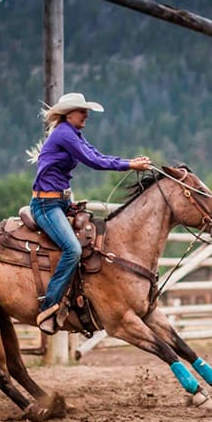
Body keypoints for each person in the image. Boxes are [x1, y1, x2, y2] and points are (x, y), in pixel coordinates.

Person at [32, 92, 151, 334]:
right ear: (69, 113)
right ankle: (49, 305)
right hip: (47, 205)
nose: (86, 115)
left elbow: (97, 155)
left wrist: (129, 161)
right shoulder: (65, 133)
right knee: (73, 249)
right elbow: (93, 161)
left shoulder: (73, 133)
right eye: (82, 110)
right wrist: (129, 165)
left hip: (60, 203)